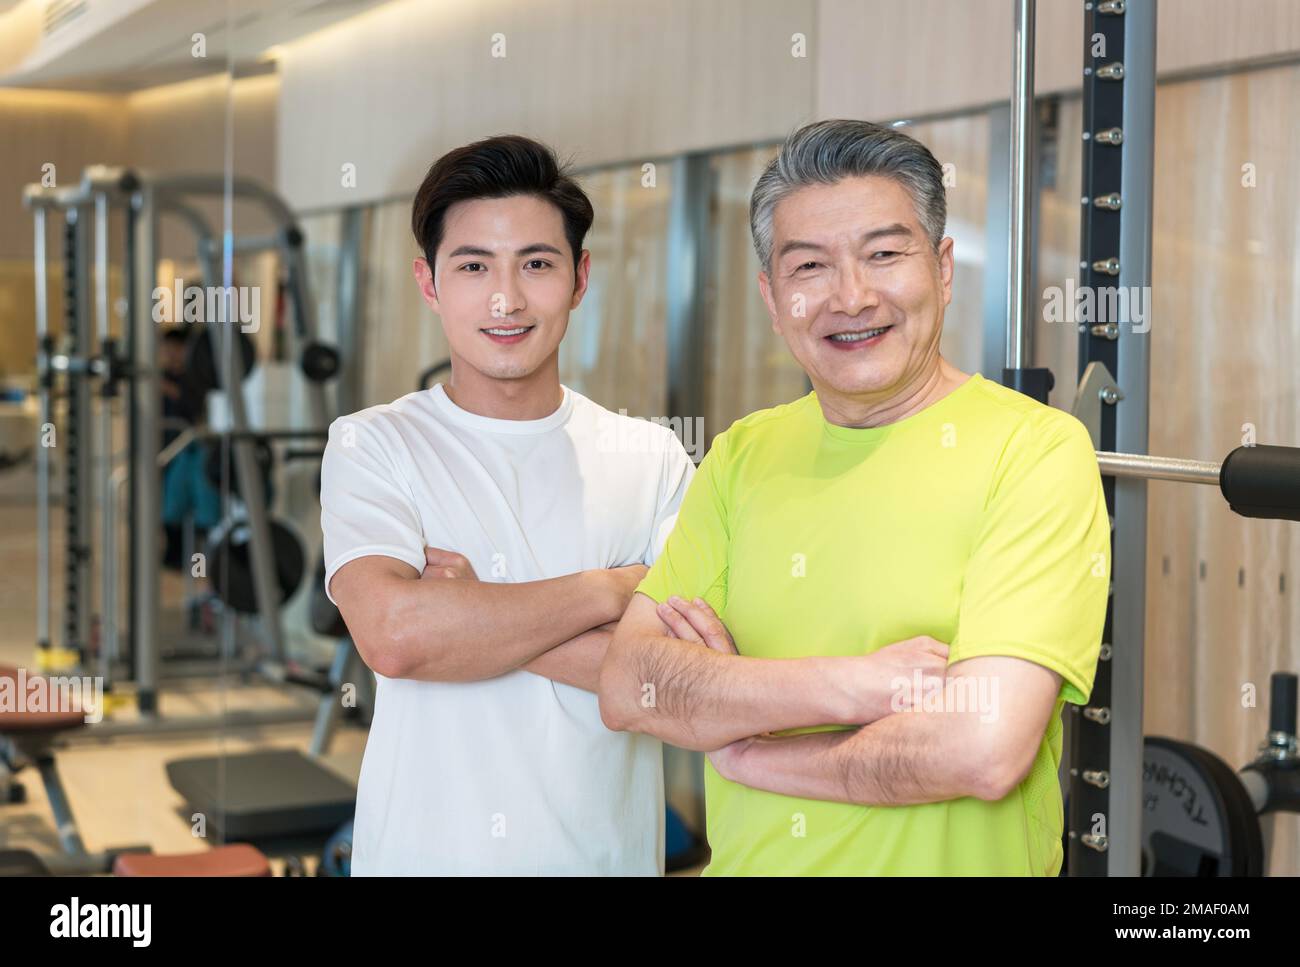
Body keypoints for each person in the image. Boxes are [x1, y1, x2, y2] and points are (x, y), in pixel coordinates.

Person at [599, 119, 1111, 875]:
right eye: (811, 266)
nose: (852, 295)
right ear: (774, 298)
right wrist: (859, 683)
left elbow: (982, 748)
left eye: (884, 253)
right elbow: (628, 684)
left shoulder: (1034, 452)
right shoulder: (743, 456)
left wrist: (751, 743)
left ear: (942, 268)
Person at [321, 135, 694, 875]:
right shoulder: (373, 445)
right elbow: (396, 637)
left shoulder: (651, 458)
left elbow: (680, 687)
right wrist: (614, 588)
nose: (506, 298)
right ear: (429, 283)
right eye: (473, 265)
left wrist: (473, 614)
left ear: (580, 277)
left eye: (536, 263)